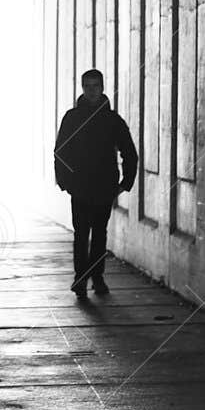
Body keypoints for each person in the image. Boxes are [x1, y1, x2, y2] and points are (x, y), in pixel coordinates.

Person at [54, 68, 138, 298]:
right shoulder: (72, 118)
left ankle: (97, 277)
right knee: (81, 232)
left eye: (95, 86)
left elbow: (129, 152)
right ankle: (81, 278)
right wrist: (65, 181)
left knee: (99, 232)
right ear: (83, 88)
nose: (92, 91)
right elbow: (60, 151)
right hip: (80, 185)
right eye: (87, 86)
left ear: (102, 88)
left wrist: (125, 182)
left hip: (104, 185)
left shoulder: (112, 120)